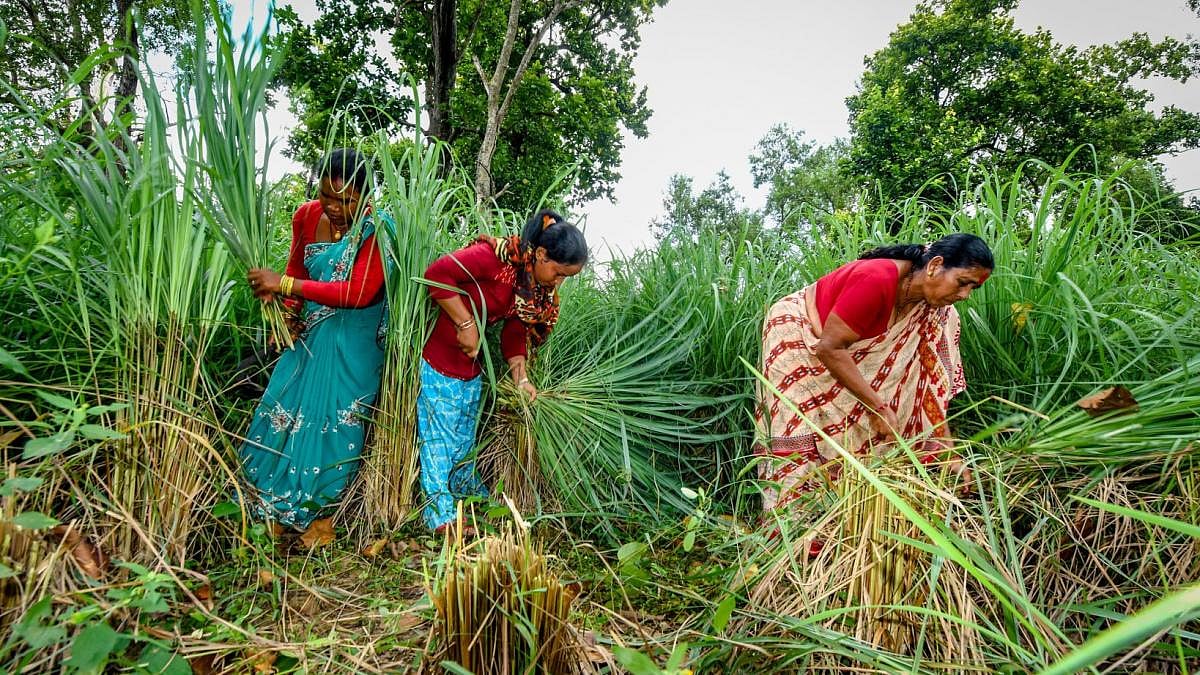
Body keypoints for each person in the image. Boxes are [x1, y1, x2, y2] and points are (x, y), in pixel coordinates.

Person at [755, 233, 993, 514]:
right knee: (801, 430)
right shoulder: (875, 279)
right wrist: (878, 407)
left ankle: (852, 514)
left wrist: (947, 450)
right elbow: (830, 347)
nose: (964, 295)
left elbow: (929, 385)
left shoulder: (938, 313)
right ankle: (792, 529)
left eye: (972, 289)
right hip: (800, 338)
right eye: (962, 283)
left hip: (839, 347)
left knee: (884, 419)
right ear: (935, 265)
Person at [239, 148, 387, 543]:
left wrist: (284, 286)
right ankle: (262, 497)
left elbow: (359, 292)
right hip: (310, 336)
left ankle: (321, 505)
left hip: (354, 341)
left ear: (365, 195)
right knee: (284, 403)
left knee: (337, 418)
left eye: (346, 199)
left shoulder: (378, 228)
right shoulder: (306, 216)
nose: (334, 207)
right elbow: (295, 268)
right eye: (327, 196)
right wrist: (288, 312)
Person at [418, 209, 587, 534]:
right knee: (437, 440)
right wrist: (465, 323)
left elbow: (514, 331)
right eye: (559, 272)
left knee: (463, 440)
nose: (559, 282)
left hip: (471, 368)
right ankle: (439, 517)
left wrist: (521, 379)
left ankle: (471, 502)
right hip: (439, 362)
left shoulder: (532, 288)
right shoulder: (495, 258)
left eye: (567, 277)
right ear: (540, 254)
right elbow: (437, 274)